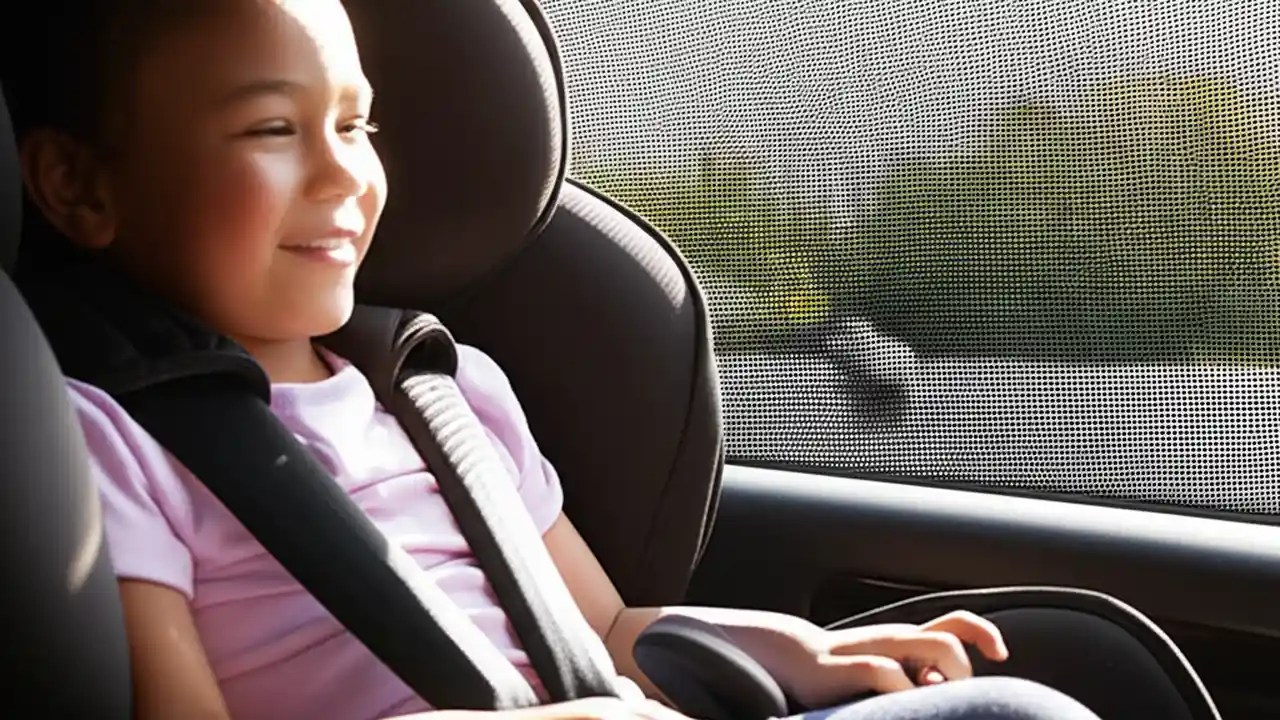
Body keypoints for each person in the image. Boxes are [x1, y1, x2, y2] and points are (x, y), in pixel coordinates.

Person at [3, 2, 1182, 719]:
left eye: (355, 124)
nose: (344, 176)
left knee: (1027, 703)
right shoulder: (97, 442)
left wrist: (778, 648)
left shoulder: (442, 389)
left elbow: (600, 632)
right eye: (272, 129)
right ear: (77, 185)